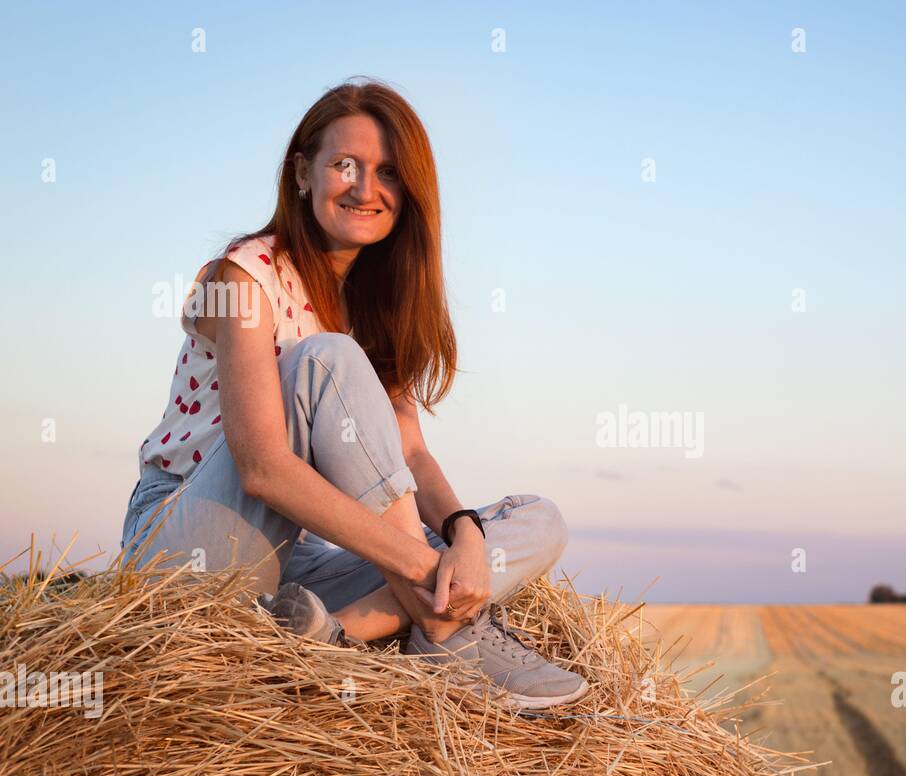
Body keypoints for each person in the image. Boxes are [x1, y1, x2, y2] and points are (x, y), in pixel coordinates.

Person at [119, 79, 588, 709]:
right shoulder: (241, 275)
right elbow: (260, 468)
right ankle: (442, 629)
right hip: (188, 539)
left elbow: (412, 457)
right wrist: (426, 569)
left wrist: (465, 535)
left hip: (298, 561)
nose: (366, 188)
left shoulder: (374, 305)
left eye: (388, 172)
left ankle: (334, 633)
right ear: (303, 174)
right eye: (345, 165)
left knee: (539, 521)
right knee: (329, 357)